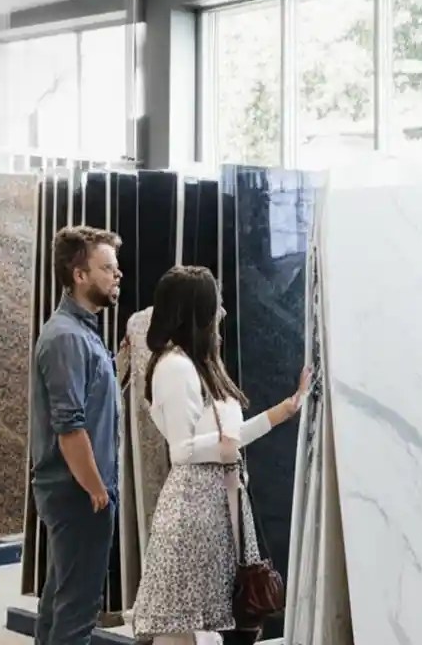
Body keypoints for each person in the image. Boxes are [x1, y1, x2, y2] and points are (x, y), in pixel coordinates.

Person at [131, 265, 308, 645]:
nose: (222, 312)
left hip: (221, 503)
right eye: (217, 303)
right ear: (197, 311)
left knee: (231, 616)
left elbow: (230, 438)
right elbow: (183, 450)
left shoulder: (202, 364)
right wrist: (226, 446)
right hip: (195, 509)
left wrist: (285, 410)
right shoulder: (175, 367)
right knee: (185, 623)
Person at [29, 225, 124, 645]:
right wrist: (96, 488)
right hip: (80, 492)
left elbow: (90, 400)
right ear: (79, 275)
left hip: (78, 489)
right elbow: (69, 425)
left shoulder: (81, 332)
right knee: (78, 610)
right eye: (107, 268)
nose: (117, 275)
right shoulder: (67, 337)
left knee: (60, 600)